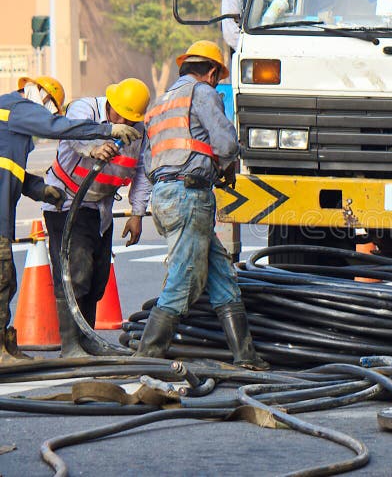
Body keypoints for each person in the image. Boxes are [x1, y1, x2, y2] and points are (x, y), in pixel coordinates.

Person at [135, 40, 268, 369]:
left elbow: (150, 160)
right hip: (189, 195)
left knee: (222, 277)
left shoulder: (161, 103)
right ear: (211, 72)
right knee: (186, 280)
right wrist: (225, 166)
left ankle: (245, 355)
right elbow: (225, 143)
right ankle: (146, 356)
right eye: (216, 76)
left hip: (165, 195)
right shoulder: (202, 93)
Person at [0, 75, 141, 362]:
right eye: (50, 106)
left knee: (6, 280)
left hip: (8, 213)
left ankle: (5, 345)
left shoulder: (13, 129)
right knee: (3, 279)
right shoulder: (17, 107)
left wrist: (40, 190)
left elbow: (12, 171)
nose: (47, 113)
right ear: (38, 93)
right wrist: (105, 130)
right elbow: (57, 127)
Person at [43, 78, 152, 357]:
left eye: (132, 119)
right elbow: (72, 132)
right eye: (122, 116)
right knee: (74, 273)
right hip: (66, 201)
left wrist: (137, 213)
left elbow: (142, 173)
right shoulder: (85, 109)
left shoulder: (139, 132)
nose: (126, 122)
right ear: (111, 105)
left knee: (97, 276)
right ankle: (70, 345)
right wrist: (92, 147)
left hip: (99, 207)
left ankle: (87, 338)